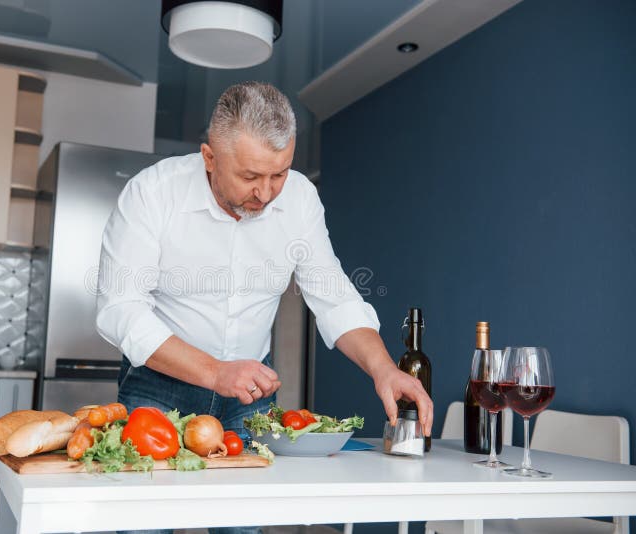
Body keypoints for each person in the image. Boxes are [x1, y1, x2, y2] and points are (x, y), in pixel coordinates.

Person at [95, 81, 432, 533]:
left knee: (243, 523)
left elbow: (334, 296)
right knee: (144, 523)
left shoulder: (300, 199)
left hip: (248, 398)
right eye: (251, 176)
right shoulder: (152, 194)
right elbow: (120, 309)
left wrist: (383, 368)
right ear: (209, 158)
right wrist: (215, 372)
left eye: (280, 174)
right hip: (158, 390)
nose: (267, 192)